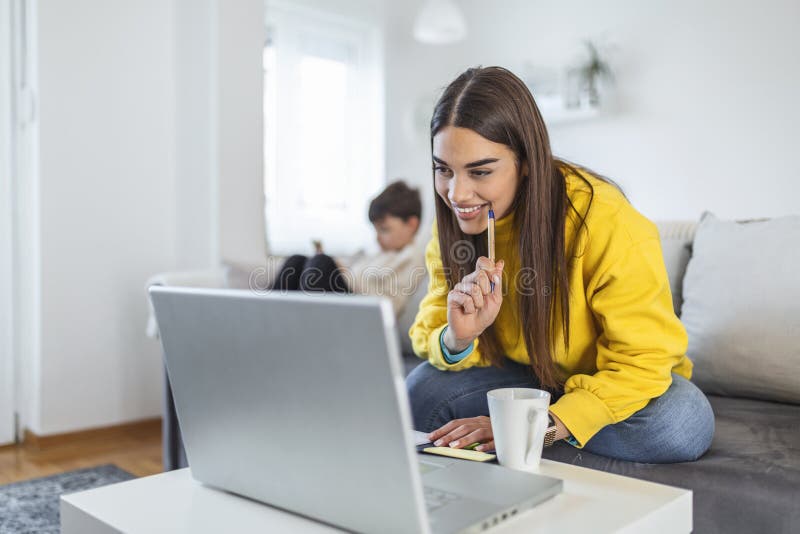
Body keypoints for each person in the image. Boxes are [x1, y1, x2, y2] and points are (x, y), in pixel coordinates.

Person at [407, 66, 714, 463]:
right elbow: (432, 329)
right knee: (419, 394)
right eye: (443, 169)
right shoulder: (454, 222)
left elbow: (644, 358)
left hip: (608, 380)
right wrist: (459, 337)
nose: (456, 193)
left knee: (681, 423)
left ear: (526, 162)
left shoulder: (604, 219)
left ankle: (529, 432)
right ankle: (528, 432)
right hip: (525, 375)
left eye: (480, 171)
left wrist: (539, 423)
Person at [272, 180, 426, 316]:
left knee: (321, 264)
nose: (377, 237)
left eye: (384, 230)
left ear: (411, 224)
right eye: (376, 230)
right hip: (349, 297)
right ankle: (271, 321)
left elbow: (389, 306)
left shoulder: (411, 258)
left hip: (364, 314)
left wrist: (345, 273)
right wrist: (340, 267)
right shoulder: (377, 253)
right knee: (296, 261)